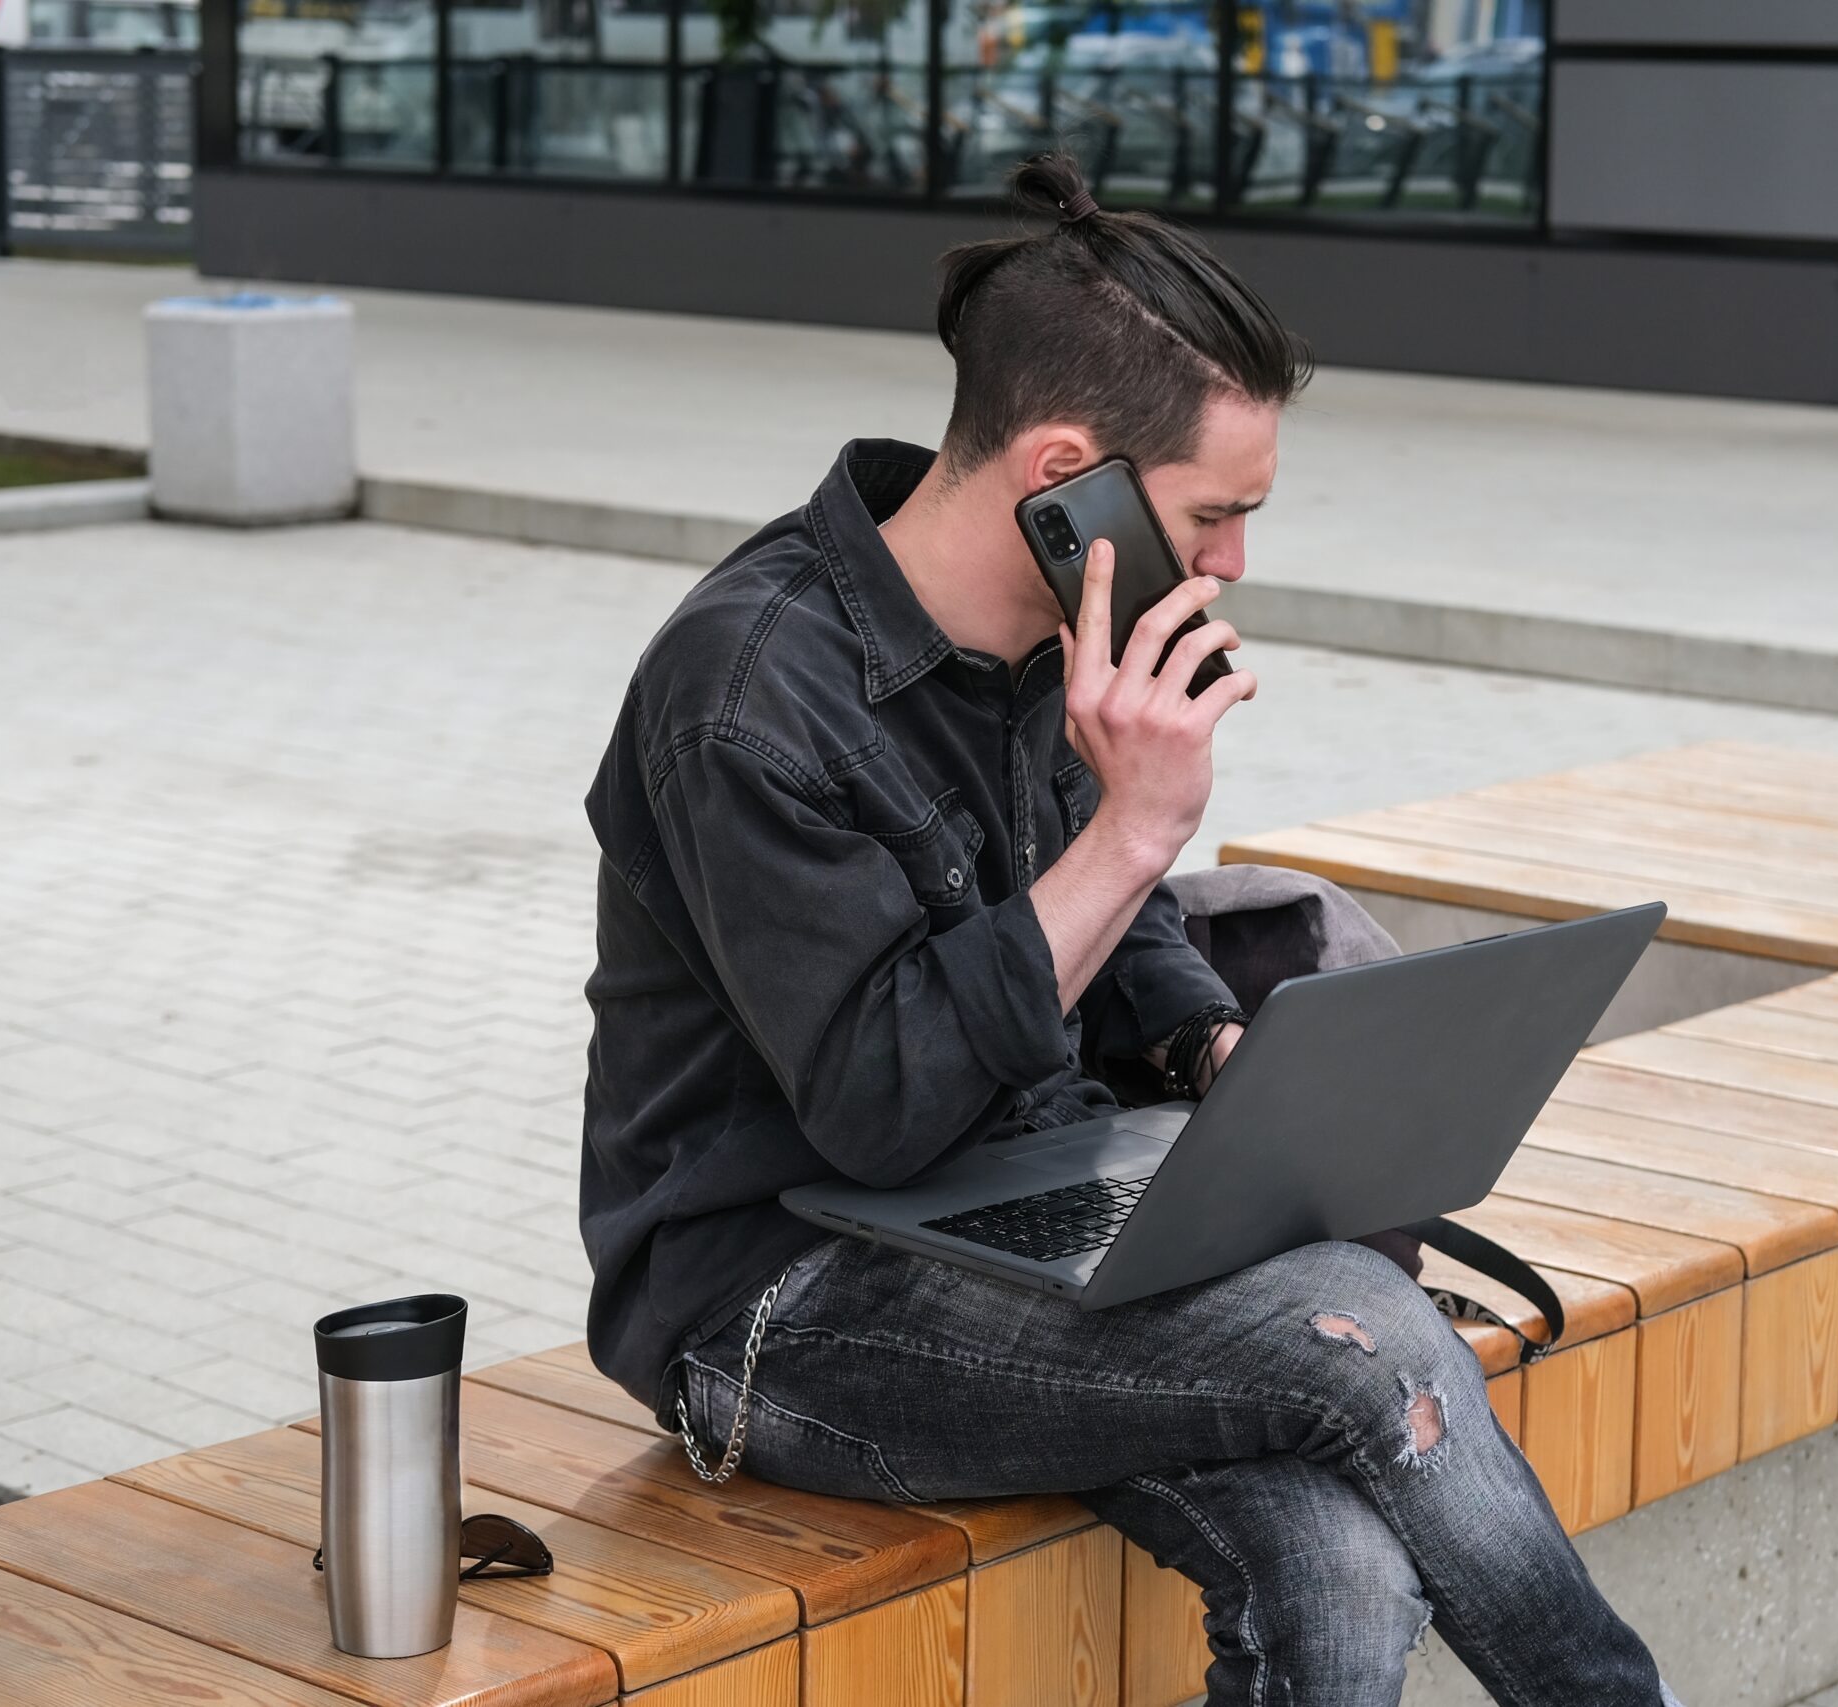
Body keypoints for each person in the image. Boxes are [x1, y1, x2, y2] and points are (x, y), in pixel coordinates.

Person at [577, 151, 1677, 1706]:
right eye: (1214, 516)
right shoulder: (748, 696)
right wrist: (1138, 817)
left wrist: (1211, 1042)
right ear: (1064, 477)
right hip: (773, 1306)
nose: (1233, 565)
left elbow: (1110, 918)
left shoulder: (1048, 625)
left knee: (1341, 1567)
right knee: (1366, 1329)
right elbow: (882, 1111)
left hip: (1017, 1208)